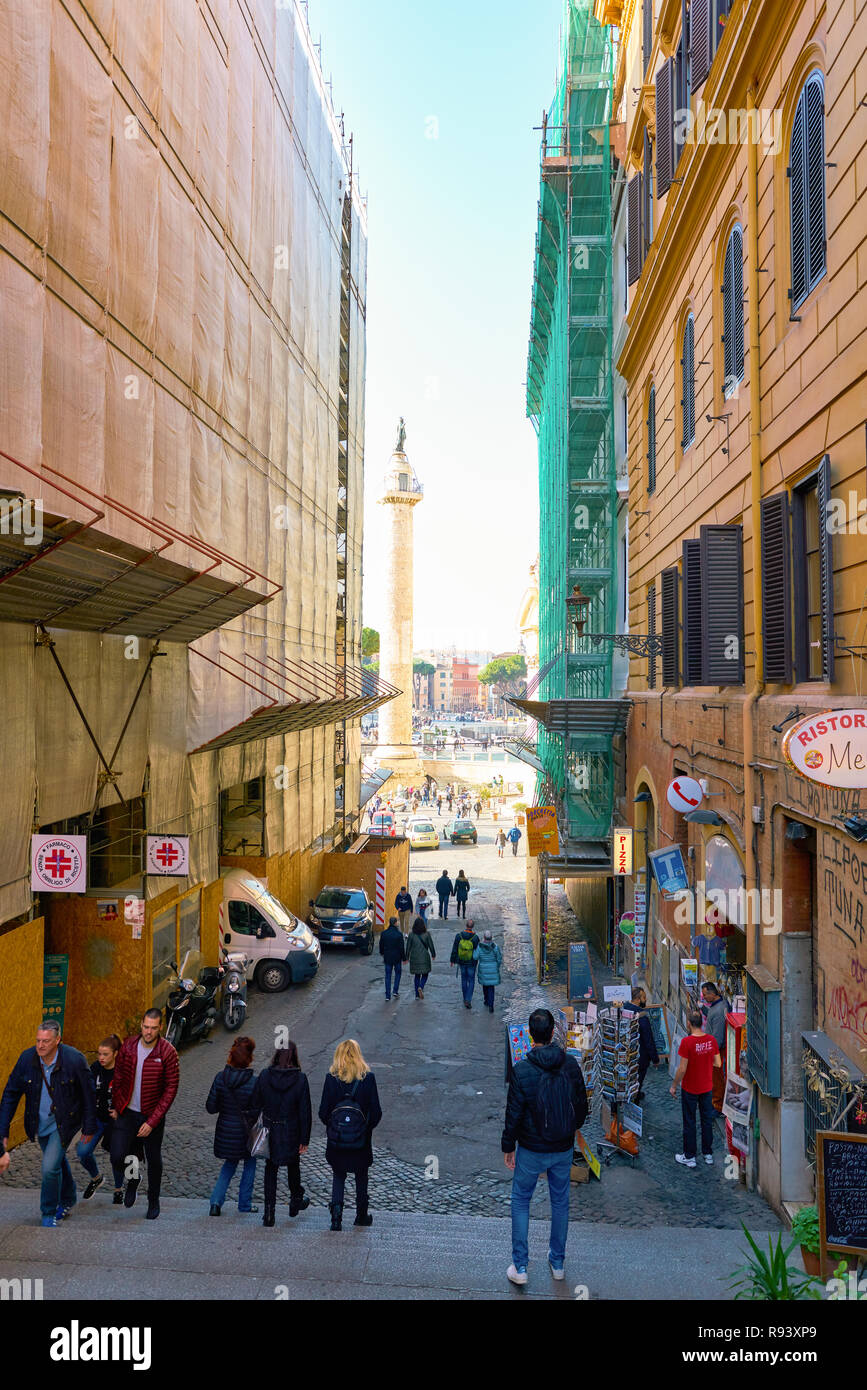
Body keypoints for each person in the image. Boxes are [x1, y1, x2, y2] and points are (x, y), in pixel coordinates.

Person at [502, 1008, 588, 1286]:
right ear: (553, 1033)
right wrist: (568, 1129)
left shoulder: (522, 1070)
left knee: (521, 1201)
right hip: (562, 1147)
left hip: (531, 1147)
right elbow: (582, 1107)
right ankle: (558, 1262)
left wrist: (508, 1146)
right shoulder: (571, 1065)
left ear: (530, 1035)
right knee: (560, 1202)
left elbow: (513, 1113)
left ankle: (521, 1265)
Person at [0, 1020, 96, 1227]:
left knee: (49, 1167)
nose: (40, 1045)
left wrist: (89, 1127)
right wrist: (3, 1129)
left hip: (64, 1124)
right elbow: (10, 1094)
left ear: (57, 1040)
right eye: (38, 1040)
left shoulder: (74, 1060)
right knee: (57, 1162)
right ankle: (69, 1198)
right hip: (39, 1123)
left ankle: (48, 1213)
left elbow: (89, 1095)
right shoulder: (27, 1059)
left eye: (46, 1041)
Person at [110, 1008, 180, 1220]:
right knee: (119, 1155)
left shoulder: (167, 1052)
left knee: (153, 1159)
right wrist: (117, 1105)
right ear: (141, 1025)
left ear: (160, 1027)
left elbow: (170, 1089)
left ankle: (153, 1200)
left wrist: (152, 1121)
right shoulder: (129, 1046)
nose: (148, 1032)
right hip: (127, 1113)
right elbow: (119, 1076)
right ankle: (133, 1179)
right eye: (145, 1027)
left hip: (152, 1116)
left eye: (153, 1028)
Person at [318, 1039, 382, 1231]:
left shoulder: (331, 1079)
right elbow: (376, 1112)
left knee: (339, 1175)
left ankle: (336, 1218)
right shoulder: (367, 1078)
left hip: (337, 1141)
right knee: (361, 1176)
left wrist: (335, 1128)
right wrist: (364, 1129)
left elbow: (323, 1112)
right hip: (360, 1141)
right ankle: (361, 1215)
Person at [250, 1042, 312, 1228]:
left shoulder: (265, 1076)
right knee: (293, 1166)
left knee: (271, 1169)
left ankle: (269, 1213)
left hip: (270, 1128)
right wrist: (304, 1138)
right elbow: (305, 1112)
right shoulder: (300, 1079)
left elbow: (254, 1102)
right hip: (291, 1129)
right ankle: (295, 1200)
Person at [205, 1034, 260, 1217]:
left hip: (226, 1131)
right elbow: (258, 1110)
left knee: (229, 1165)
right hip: (246, 1133)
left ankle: (215, 1203)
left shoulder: (220, 1078)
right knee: (250, 1164)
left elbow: (211, 1107)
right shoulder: (254, 1082)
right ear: (249, 1057)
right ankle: (244, 1204)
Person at [77, 1033, 126, 1203]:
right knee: (82, 1152)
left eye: (105, 1054)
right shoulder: (95, 1068)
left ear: (115, 1054)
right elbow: (86, 1092)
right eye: (99, 1054)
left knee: (116, 1156)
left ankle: (119, 1188)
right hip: (97, 1119)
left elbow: (131, 1094)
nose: (101, 1058)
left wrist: (121, 1110)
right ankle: (96, 1178)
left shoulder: (123, 1070)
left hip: (116, 1121)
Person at [670, 1009, 722, 1168]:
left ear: (689, 1023)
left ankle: (690, 1156)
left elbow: (682, 1069)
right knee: (706, 1120)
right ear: (702, 1023)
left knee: (690, 1121)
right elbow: (718, 1063)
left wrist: (674, 1085)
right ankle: (708, 1154)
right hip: (706, 1087)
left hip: (690, 1088)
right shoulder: (711, 1040)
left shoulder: (687, 1042)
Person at [623, 987, 660, 1101]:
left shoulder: (624, 1010)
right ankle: (635, 1097)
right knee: (638, 1078)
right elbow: (648, 1040)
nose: (646, 999)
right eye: (644, 998)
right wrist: (655, 1059)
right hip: (640, 1055)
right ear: (638, 999)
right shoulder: (642, 1017)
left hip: (626, 1052)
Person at [701, 982, 728, 1112]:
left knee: (717, 1078)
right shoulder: (718, 1005)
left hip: (715, 1050)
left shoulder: (718, 1012)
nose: (704, 997)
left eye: (705, 995)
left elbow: (717, 1036)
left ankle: (718, 1106)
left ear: (712, 994)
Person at [450, 919, 481, 1008]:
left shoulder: (459, 936)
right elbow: (477, 951)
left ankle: (464, 998)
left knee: (464, 979)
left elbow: (455, 948)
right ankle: (468, 999)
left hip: (462, 961)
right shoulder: (475, 937)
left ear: (466, 925)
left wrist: (452, 960)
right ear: (472, 927)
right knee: (471, 980)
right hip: (471, 962)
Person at [407, 916, 436, 998]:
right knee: (425, 974)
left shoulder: (411, 935)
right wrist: (433, 954)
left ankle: (417, 994)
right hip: (424, 957)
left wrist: (406, 957)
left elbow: (408, 947)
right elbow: (431, 946)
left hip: (414, 957)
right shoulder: (427, 934)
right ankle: (421, 986)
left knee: (417, 976)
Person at [474, 930, 502, 1012]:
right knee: (491, 987)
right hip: (493, 968)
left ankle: (486, 1000)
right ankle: (491, 1004)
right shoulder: (495, 947)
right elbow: (499, 959)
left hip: (483, 969)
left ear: (484, 938)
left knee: (485, 986)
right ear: (491, 938)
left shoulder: (480, 947)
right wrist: (497, 966)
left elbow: (475, 957)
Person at [379, 916, 406, 1000]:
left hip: (387, 957)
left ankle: (387, 995)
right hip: (397, 957)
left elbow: (381, 945)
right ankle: (395, 991)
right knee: (398, 974)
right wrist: (404, 958)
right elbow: (401, 947)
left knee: (388, 976)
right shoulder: (399, 934)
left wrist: (382, 953)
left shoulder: (384, 933)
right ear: (395, 923)